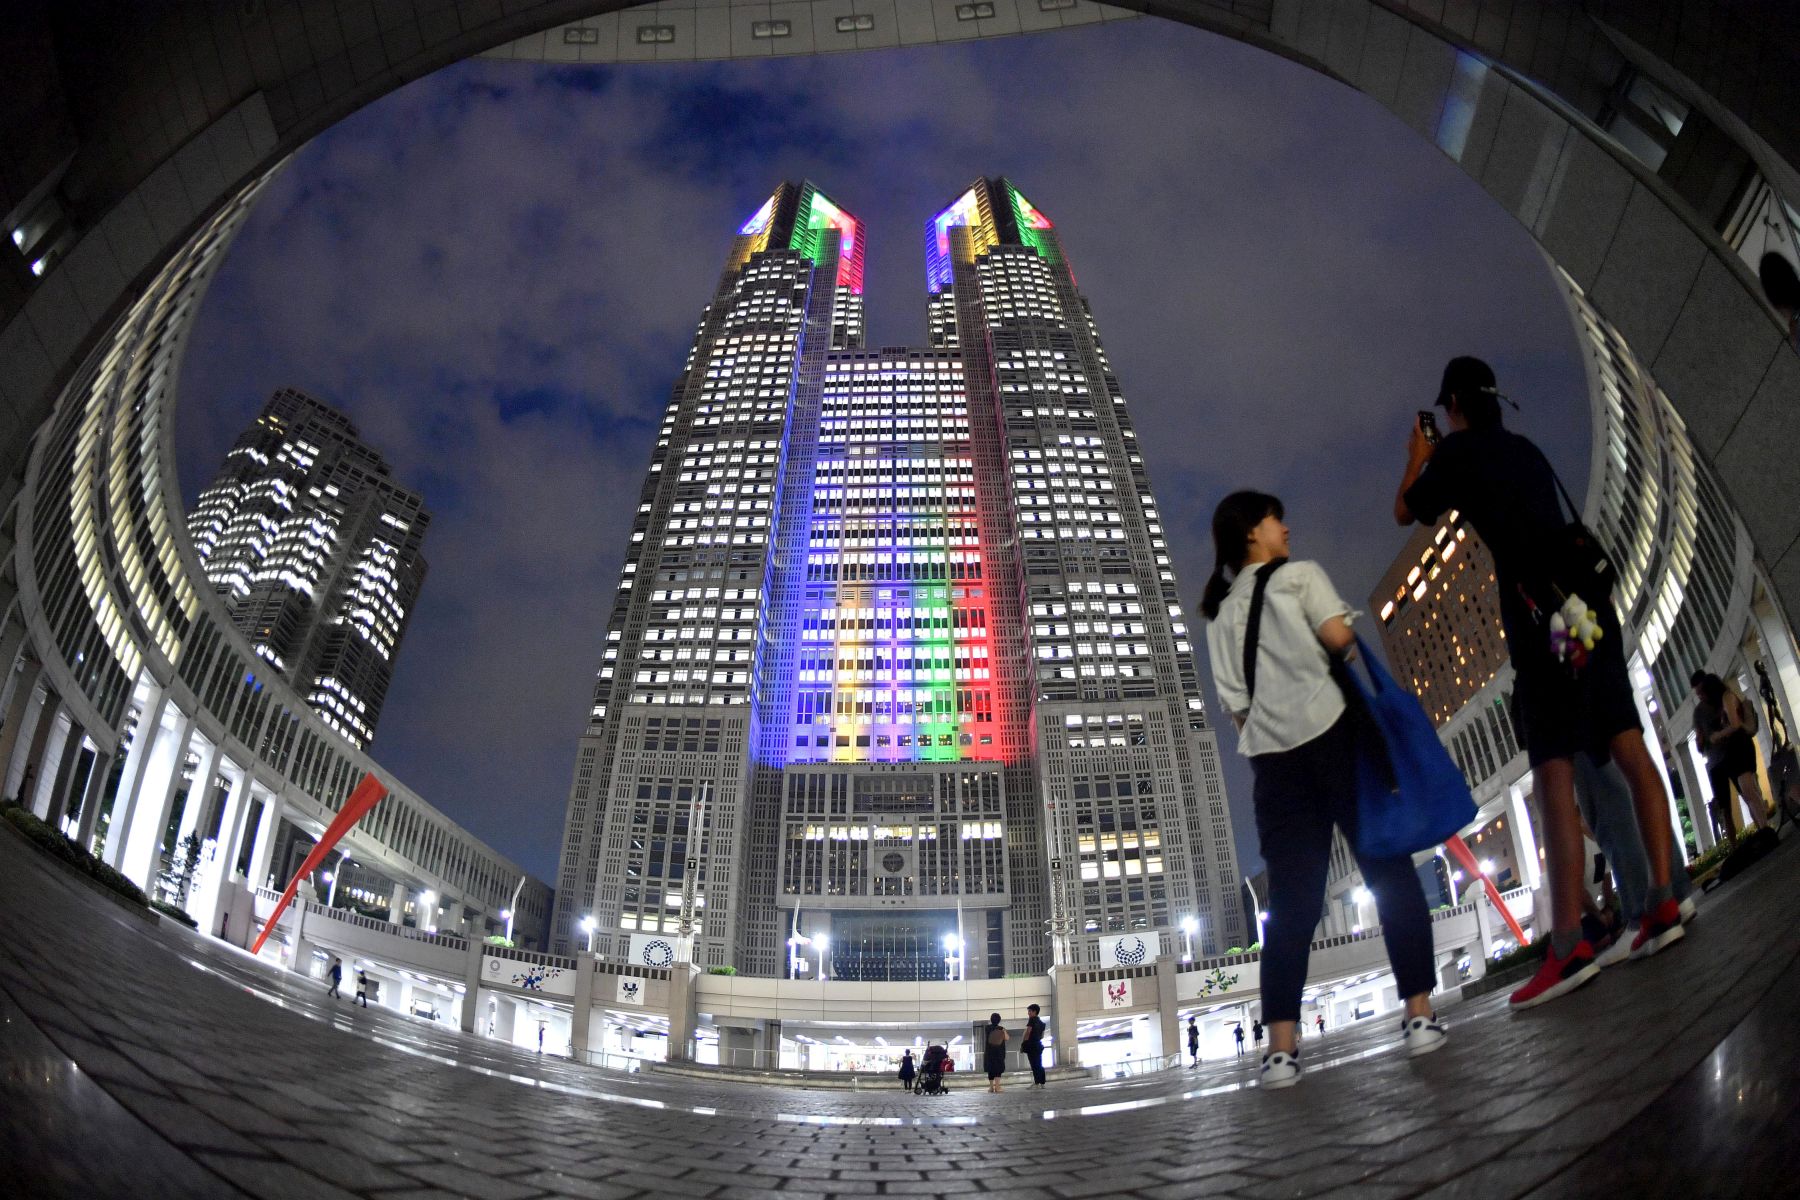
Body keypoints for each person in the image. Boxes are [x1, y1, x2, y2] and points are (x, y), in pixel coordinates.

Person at [1396, 356, 1686, 1010]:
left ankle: (1567, 949)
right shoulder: (1523, 447)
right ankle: (1665, 905)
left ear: (1453, 408)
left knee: (1553, 768)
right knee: (1628, 745)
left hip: (1539, 614)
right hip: (1588, 605)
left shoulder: (1456, 454)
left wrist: (1418, 454)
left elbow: (1404, 511)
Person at [1204, 491, 1446, 1091]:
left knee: (1291, 907)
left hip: (1274, 767)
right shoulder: (1301, 577)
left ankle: (1281, 1053)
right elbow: (1340, 640)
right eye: (1274, 519)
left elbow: (1237, 709)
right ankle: (1417, 1016)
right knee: (1388, 872)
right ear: (1253, 534)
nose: (1285, 527)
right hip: (1338, 741)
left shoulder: (1222, 615)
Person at [1692, 670, 1771, 837]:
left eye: (1703, 692)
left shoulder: (1727, 697)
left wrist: (1718, 735)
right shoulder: (1712, 706)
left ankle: (1765, 829)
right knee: (1748, 791)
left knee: (1748, 789)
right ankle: (1763, 829)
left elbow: (1735, 724)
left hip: (1740, 746)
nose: (1702, 696)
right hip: (1733, 751)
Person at [1021, 1004, 1048, 1087]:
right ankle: (1042, 1082)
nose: (1028, 1013)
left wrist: (1023, 1044)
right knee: (1039, 1064)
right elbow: (1042, 1036)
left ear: (1034, 1012)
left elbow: (1028, 1032)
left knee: (1033, 1064)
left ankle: (1036, 1082)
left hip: (1031, 1045)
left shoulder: (1032, 1020)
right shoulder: (1042, 1023)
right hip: (1038, 1045)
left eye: (1029, 1011)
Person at [983, 1013, 1009, 1093]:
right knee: (998, 1069)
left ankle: (991, 1087)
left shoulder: (987, 1028)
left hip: (989, 1052)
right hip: (999, 1052)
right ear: (999, 1020)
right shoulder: (1001, 1028)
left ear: (991, 1019)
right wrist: (1004, 1031)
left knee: (990, 1069)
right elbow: (1007, 1038)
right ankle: (997, 1087)